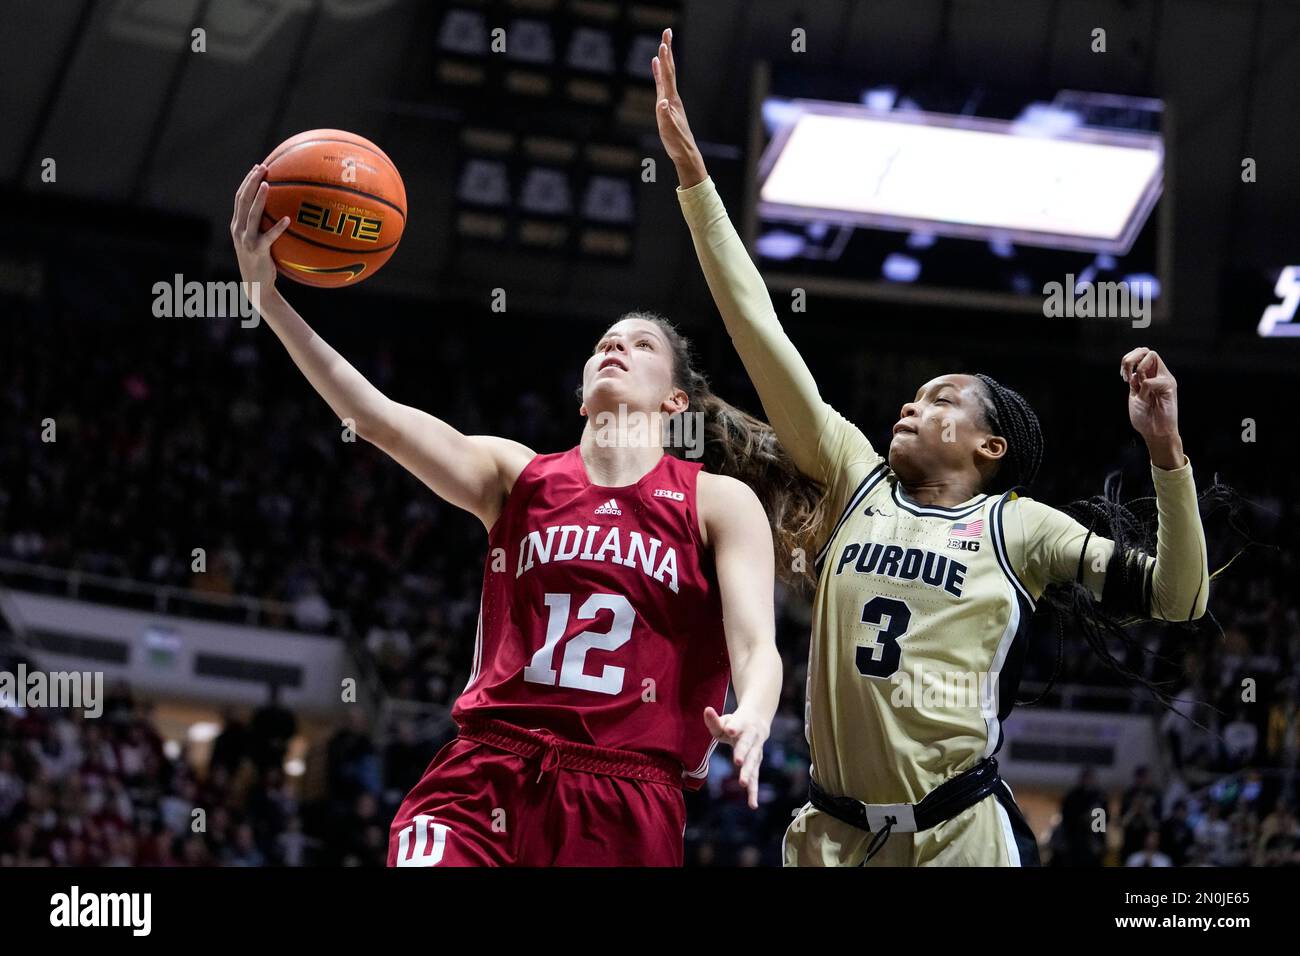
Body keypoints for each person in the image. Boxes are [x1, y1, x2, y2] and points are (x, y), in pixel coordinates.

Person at [651, 28, 1210, 866]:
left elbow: (1179, 599)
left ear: (989, 444)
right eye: (914, 396)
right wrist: (696, 181)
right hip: (830, 837)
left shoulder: (1018, 526)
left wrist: (1166, 454)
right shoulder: (852, 473)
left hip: (960, 837)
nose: (912, 406)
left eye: (941, 399)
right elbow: (756, 326)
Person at [230, 165, 791, 866]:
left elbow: (755, 645)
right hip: (487, 772)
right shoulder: (516, 475)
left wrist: (756, 713)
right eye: (604, 343)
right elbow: (375, 420)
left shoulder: (716, 500)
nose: (614, 347)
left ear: (675, 402)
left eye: (641, 344)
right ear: (585, 396)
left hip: (625, 797)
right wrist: (268, 298)